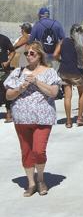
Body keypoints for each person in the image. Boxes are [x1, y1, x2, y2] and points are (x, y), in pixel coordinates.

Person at [3, 42, 61, 196]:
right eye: (26, 53)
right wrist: (20, 88)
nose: (28, 56)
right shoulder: (18, 72)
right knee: (26, 151)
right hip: (22, 119)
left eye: (32, 53)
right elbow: (8, 95)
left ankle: (41, 179)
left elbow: (53, 92)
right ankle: (31, 183)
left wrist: (36, 81)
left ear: (40, 55)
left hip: (43, 117)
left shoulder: (49, 72)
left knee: (39, 150)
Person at [56, 24, 83, 128]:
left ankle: (68, 121)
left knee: (67, 96)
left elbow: (55, 54)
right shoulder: (81, 43)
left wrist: (61, 60)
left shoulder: (63, 41)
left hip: (64, 71)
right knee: (82, 93)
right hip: (77, 72)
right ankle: (79, 118)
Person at [1, 29, 17, 124]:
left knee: (5, 91)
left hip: (3, 71)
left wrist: (8, 61)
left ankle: (8, 114)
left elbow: (12, 51)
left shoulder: (3, 39)